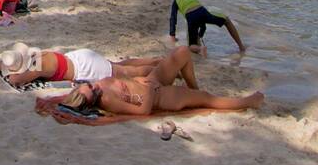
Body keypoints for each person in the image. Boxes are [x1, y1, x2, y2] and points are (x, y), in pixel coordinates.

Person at [57, 48, 263, 118]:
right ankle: (248, 102)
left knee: (182, 52)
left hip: (152, 81)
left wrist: (140, 80)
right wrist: (147, 90)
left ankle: (194, 91)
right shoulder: (108, 101)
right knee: (209, 99)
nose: (94, 85)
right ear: (91, 101)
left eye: (89, 85)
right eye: (91, 89)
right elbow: (143, 110)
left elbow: (125, 82)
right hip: (160, 97)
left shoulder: (100, 87)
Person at [0, 44, 167, 88]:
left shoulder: (37, 66)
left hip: (84, 68)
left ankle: (164, 69)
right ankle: (156, 60)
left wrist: (11, 72)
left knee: (126, 72)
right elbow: (0, 63)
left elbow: (16, 81)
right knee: (117, 65)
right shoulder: (37, 54)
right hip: (78, 57)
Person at [168, 0, 245, 52]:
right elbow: (203, 25)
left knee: (191, 46)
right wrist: (200, 35)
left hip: (190, 16)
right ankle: (241, 46)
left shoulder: (176, 0)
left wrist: (173, 36)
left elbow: (173, 18)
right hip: (202, 11)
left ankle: (200, 49)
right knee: (226, 20)